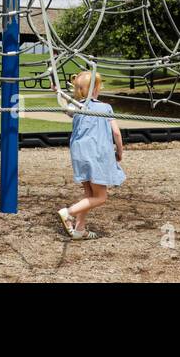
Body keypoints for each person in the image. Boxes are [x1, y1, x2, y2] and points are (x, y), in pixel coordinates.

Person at [57, 70, 125, 239]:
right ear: (95, 89)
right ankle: (68, 212)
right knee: (101, 197)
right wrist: (120, 152)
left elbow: (63, 104)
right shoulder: (105, 107)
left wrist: (57, 91)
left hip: (79, 152)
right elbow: (116, 133)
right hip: (96, 153)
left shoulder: (76, 107)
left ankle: (79, 230)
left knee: (89, 194)